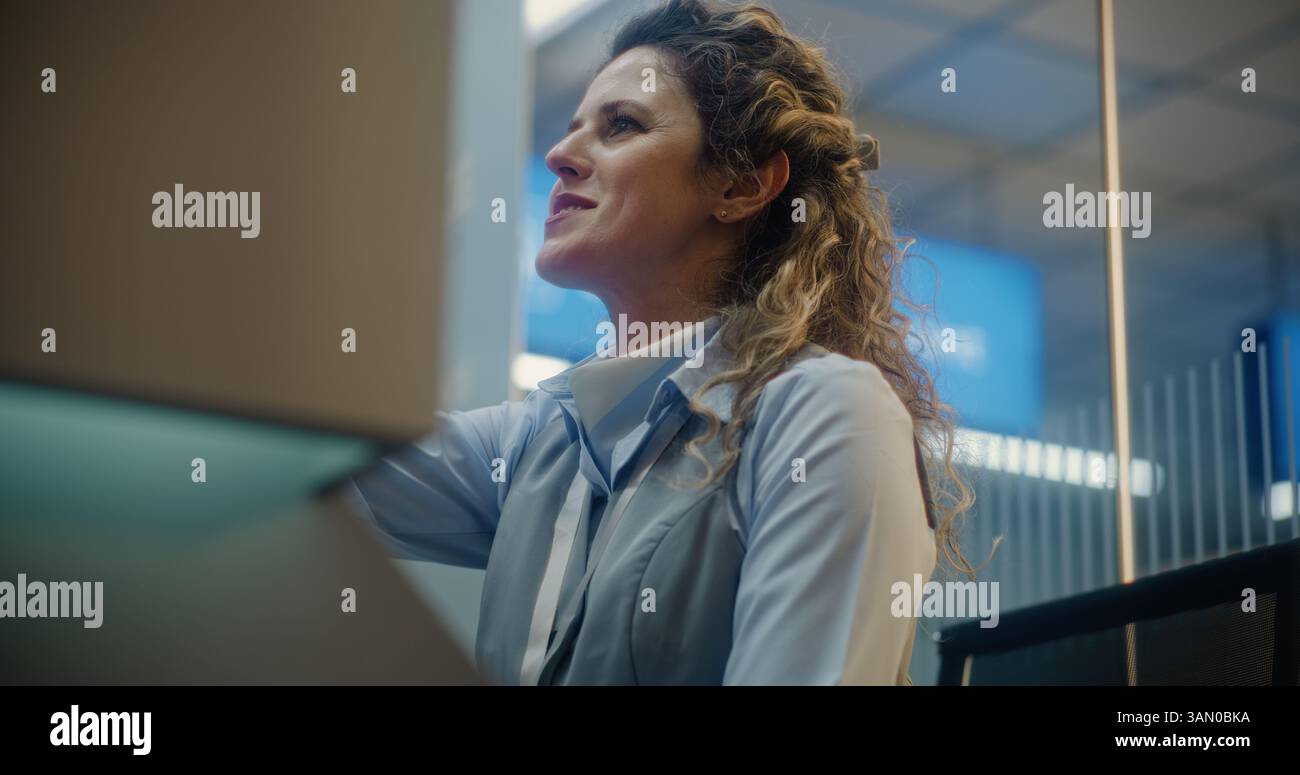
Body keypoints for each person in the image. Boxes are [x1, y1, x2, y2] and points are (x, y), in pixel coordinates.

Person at [348, 0, 973, 685]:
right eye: (572, 127)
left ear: (740, 183)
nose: (561, 155)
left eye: (621, 126)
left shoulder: (823, 412)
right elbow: (316, 450)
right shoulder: (542, 439)